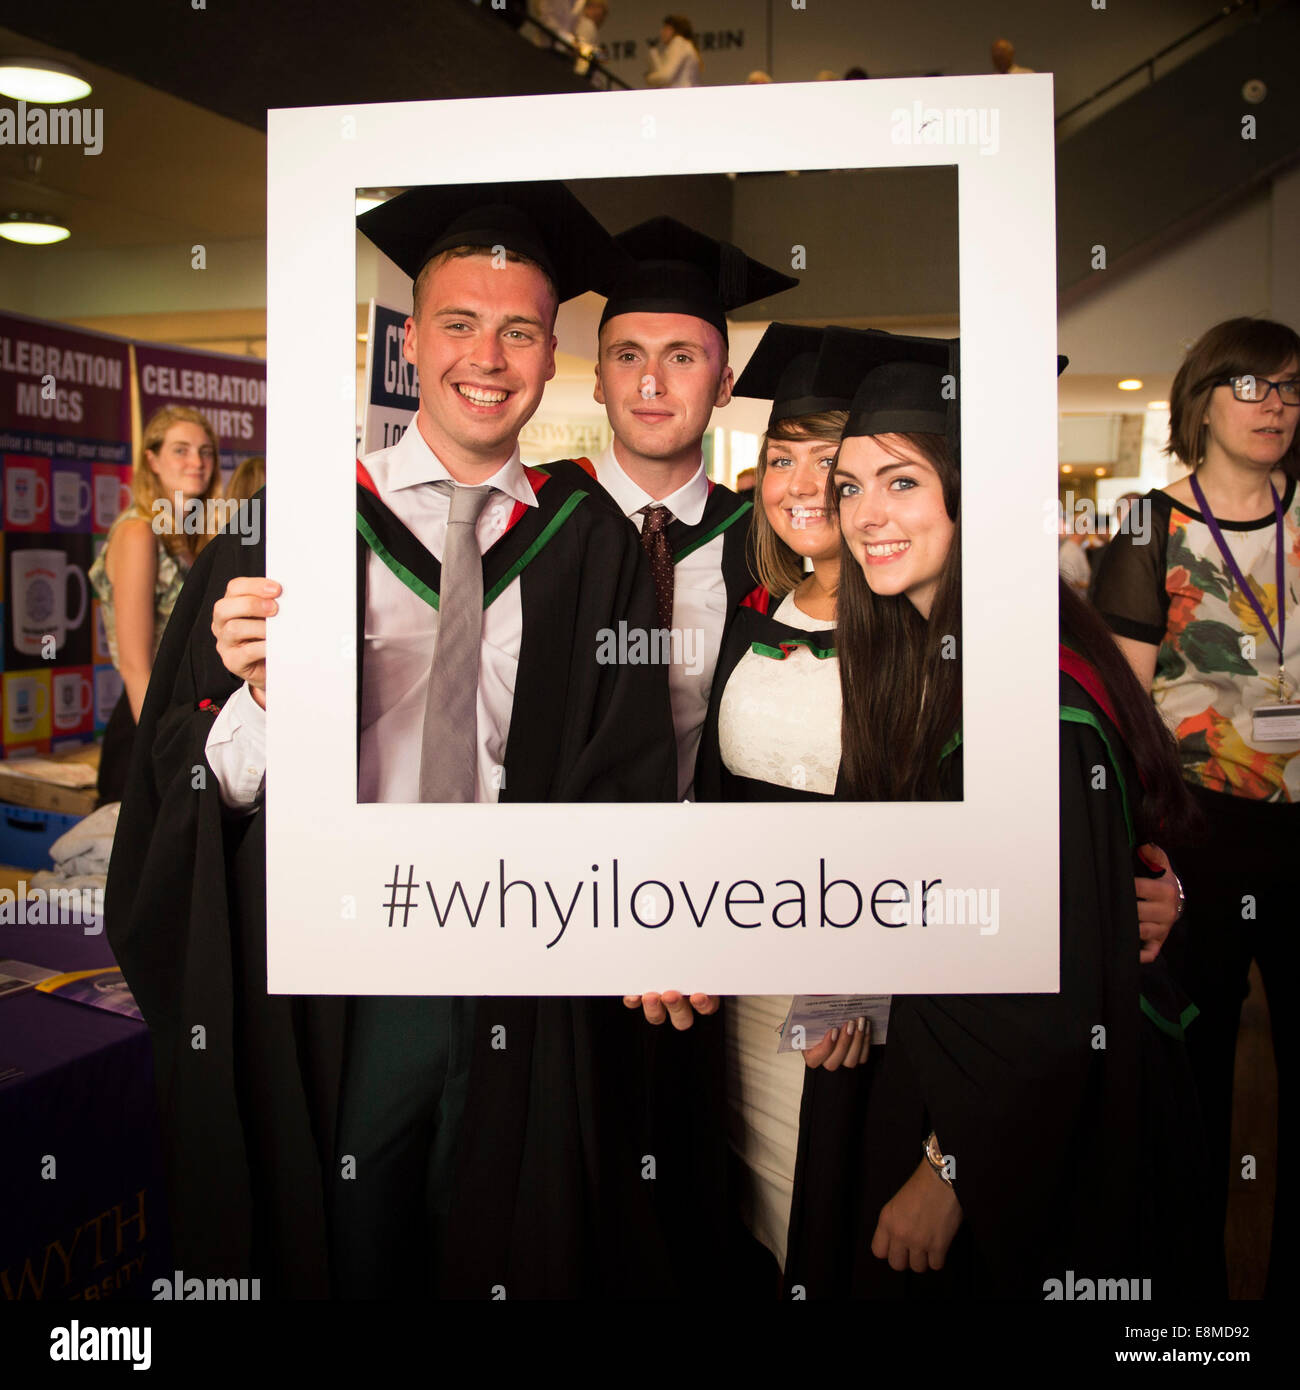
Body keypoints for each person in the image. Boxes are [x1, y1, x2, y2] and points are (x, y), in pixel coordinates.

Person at [105, 181, 695, 1300]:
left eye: (520, 328)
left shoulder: (596, 548)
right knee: (347, 1245)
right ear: (412, 340)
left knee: (507, 1245)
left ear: (552, 350)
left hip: (526, 972)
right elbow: (189, 790)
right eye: (460, 324)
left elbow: (627, 774)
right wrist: (265, 705)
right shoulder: (290, 530)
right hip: (344, 977)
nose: (489, 354)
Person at [784, 330, 1214, 1299]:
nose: (863, 515)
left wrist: (951, 1166)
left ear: (969, 497)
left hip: (1019, 1126)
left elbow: (1062, 984)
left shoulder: (1032, 703)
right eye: (849, 487)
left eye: (900, 482)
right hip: (931, 1066)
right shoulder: (909, 659)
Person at [1092, 316, 1300, 1297]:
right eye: (1252, 386)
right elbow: (1121, 708)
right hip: (1198, 834)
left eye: (1291, 388)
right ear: (1202, 398)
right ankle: (1192, 1303)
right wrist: (1135, 848)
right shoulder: (1149, 524)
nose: (1275, 406)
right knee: (1193, 1073)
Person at [591, 215, 796, 800]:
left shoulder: (765, 549)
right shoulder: (534, 520)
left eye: (681, 358)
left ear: (725, 383)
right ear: (600, 379)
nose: (651, 383)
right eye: (628, 356)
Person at [88, 404, 221, 803]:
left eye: (205, 451)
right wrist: (161, 751)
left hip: (185, 718)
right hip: (147, 724)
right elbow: (134, 664)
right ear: (152, 460)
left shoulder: (189, 535)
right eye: (181, 450)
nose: (196, 462)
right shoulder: (138, 533)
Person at [646, 14, 701, 88]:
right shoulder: (685, 45)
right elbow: (663, 74)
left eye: (666, 28)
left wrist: (649, 78)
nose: (662, 32)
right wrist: (653, 53)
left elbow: (666, 76)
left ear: (674, 30)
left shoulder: (678, 43)